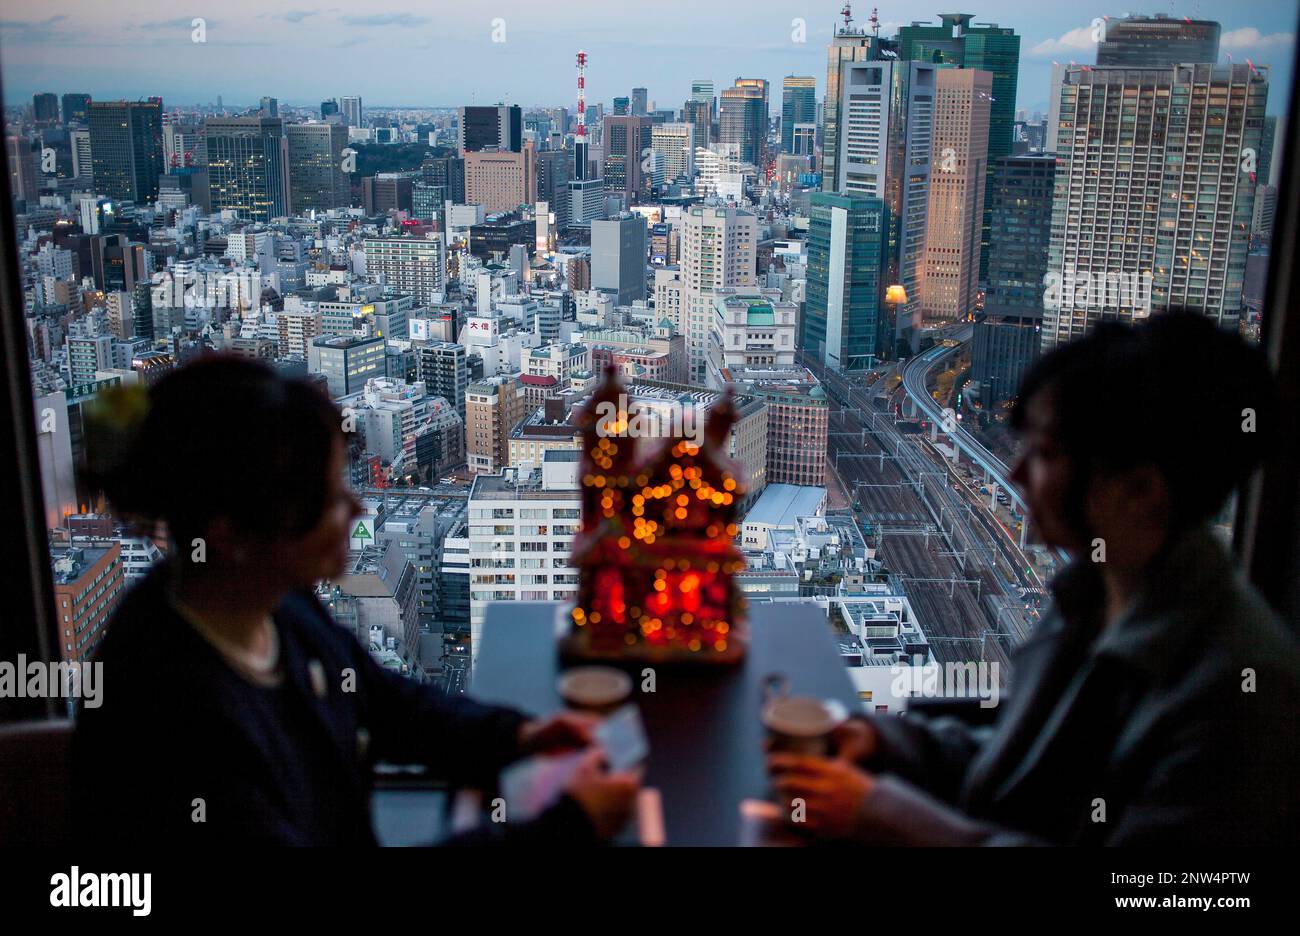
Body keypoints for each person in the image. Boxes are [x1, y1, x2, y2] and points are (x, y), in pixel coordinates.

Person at [768, 313, 1300, 845]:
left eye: (1044, 454)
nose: (1016, 475)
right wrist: (887, 744)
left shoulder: (1239, 700)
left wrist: (888, 814)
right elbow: (1026, 767)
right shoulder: (1100, 598)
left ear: (1141, 490)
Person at [74, 356, 638, 845]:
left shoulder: (267, 599)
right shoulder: (168, 709)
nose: (357, 510)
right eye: (328, 497)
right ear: (230, 531)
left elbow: (380, 696)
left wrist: (515, 734)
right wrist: (568, 825)